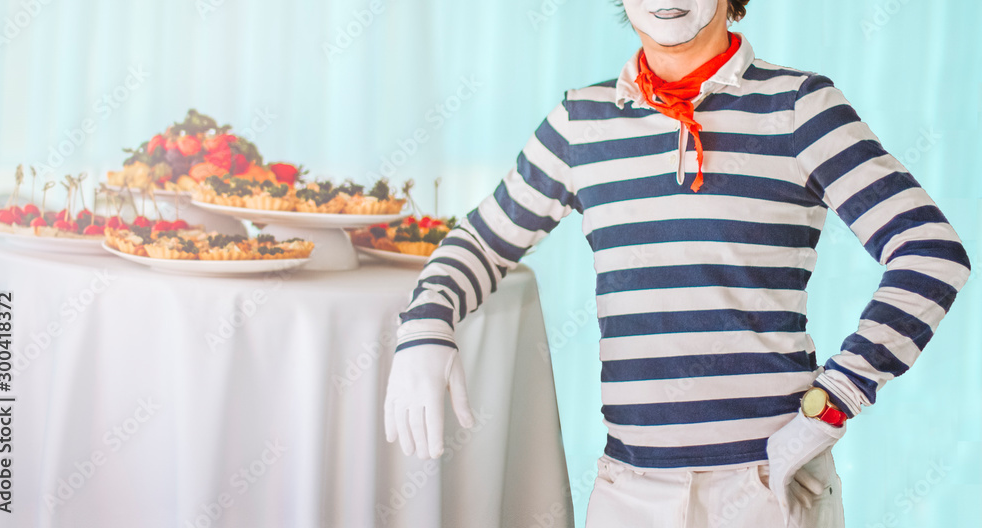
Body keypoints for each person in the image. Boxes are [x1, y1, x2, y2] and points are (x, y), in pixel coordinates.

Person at [382, 1, 972, 526]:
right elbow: (481, 244)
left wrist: (834, 402)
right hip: (630, 490)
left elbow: (930, 252)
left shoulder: (799, 107)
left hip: (769, 484)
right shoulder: (579, 123)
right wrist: (425, 328)